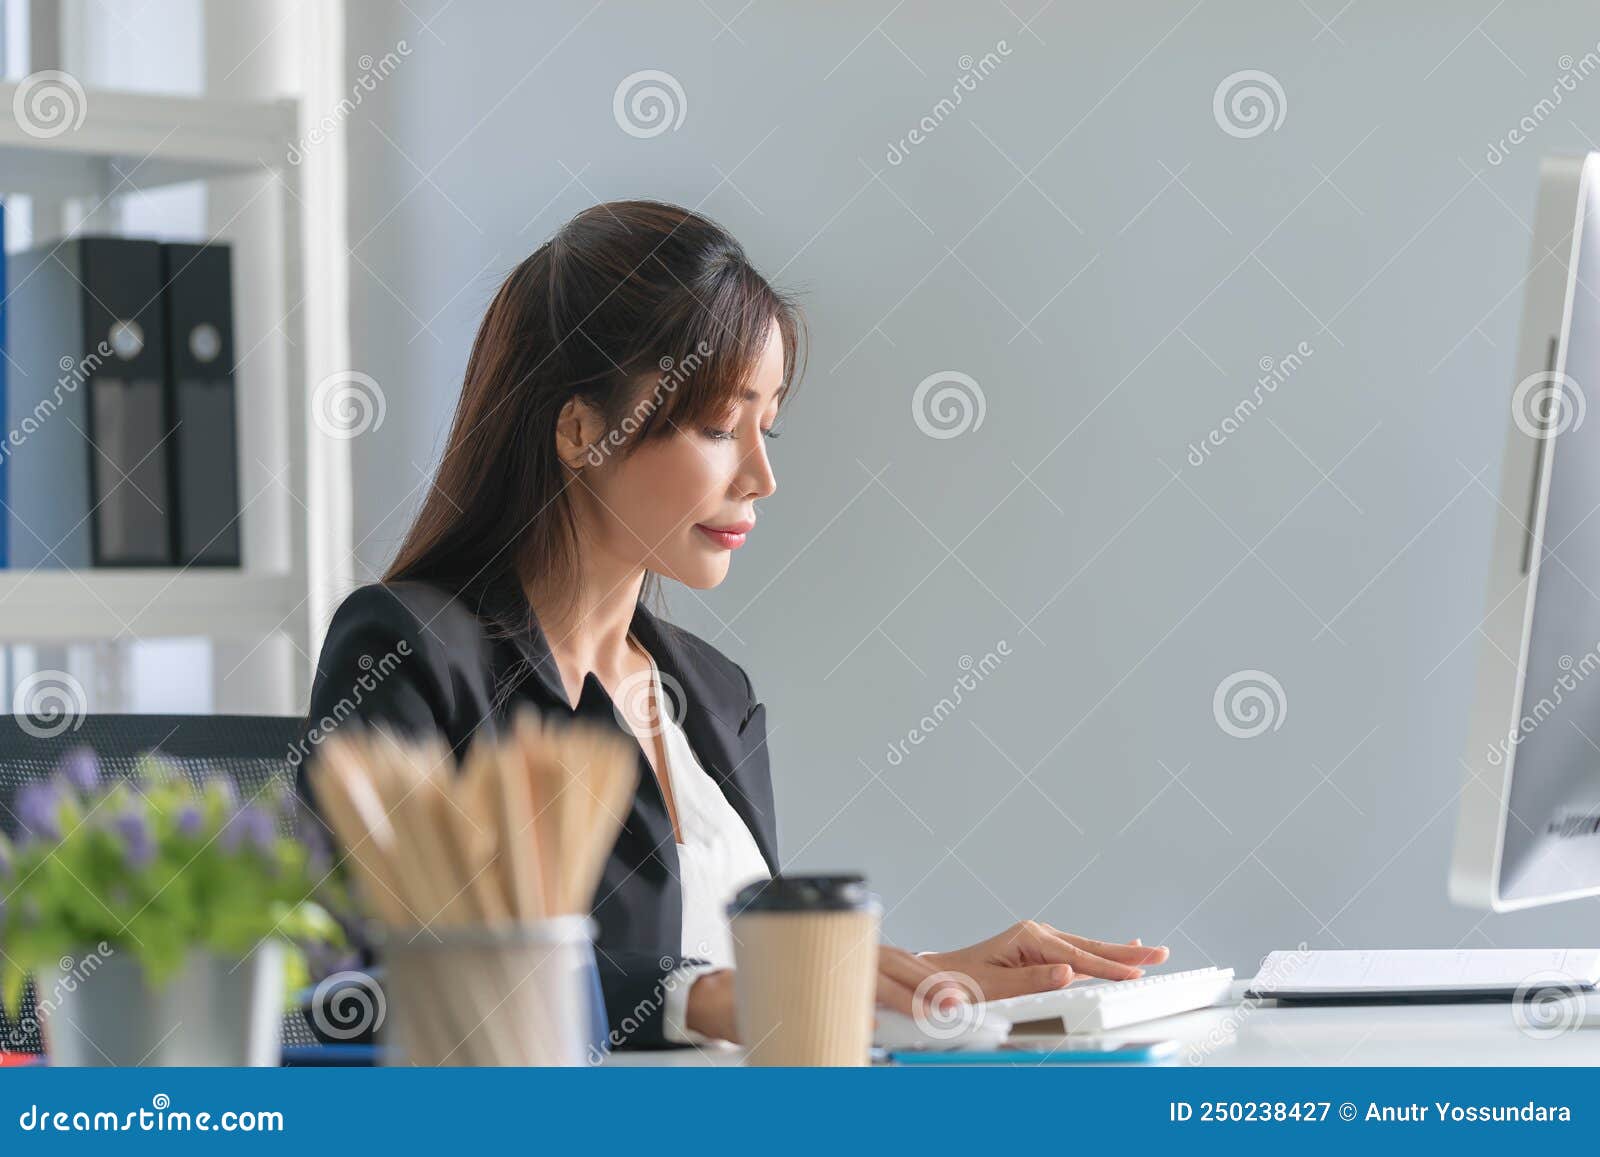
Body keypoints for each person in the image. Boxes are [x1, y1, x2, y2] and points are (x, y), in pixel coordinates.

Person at [301, 200, 1168, 1049]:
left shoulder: (715, 694)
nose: (760, 475)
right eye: (720, 425)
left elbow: (739, 995)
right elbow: (370, 979)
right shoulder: (410, 649)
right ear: (579, 429)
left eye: (769, 429)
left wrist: (928, 979)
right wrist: (703, 994)